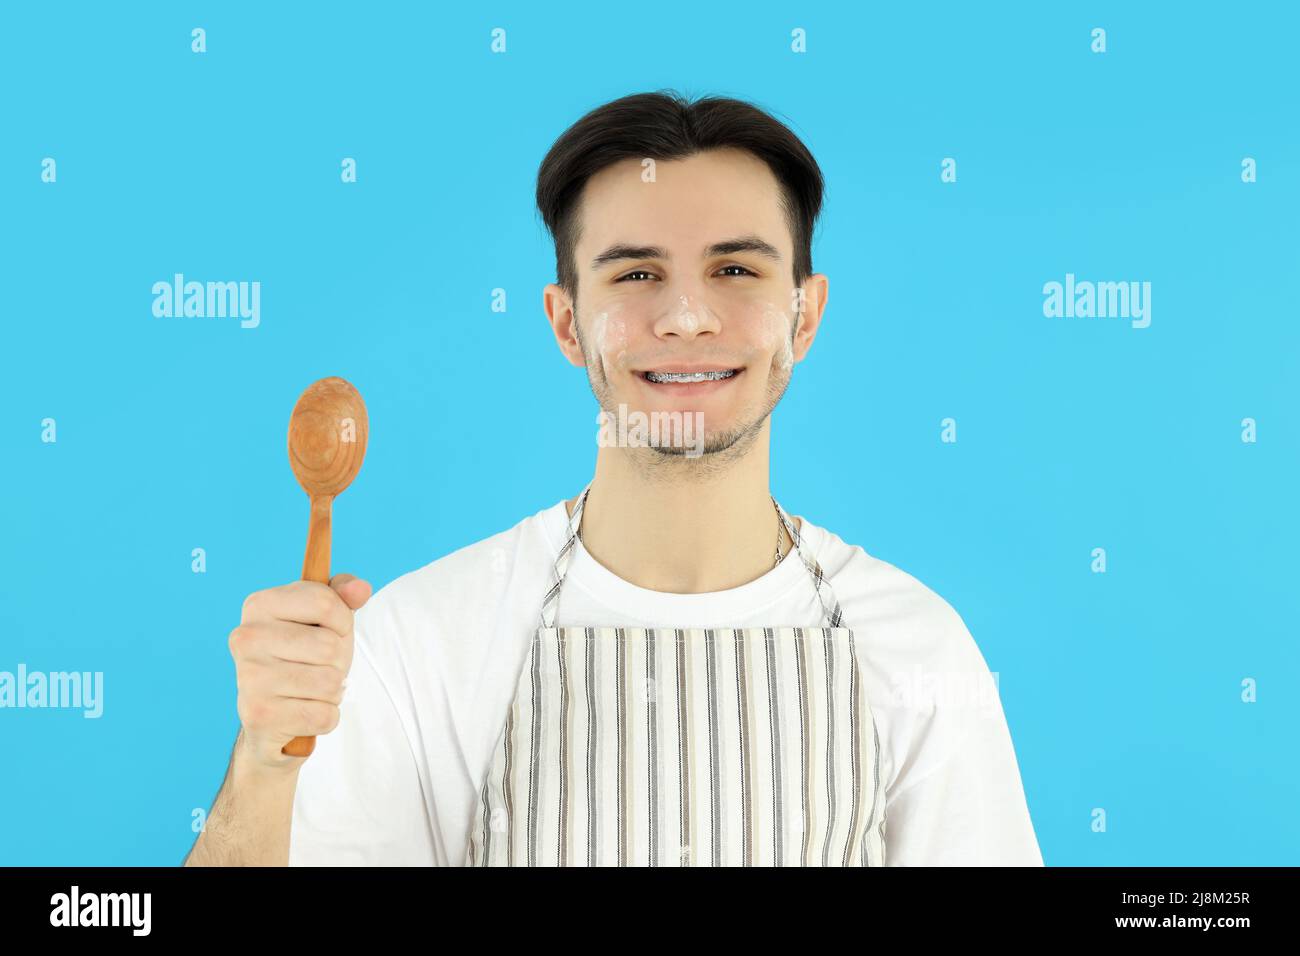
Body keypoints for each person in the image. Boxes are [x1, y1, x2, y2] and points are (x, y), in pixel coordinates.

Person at [185, 90, 1042, 867]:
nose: (685, 316)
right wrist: (264, 763)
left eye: (736, 270)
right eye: (636, 274)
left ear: (805, 315)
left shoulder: (915, 648)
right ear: (566, 323)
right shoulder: (417, 646)